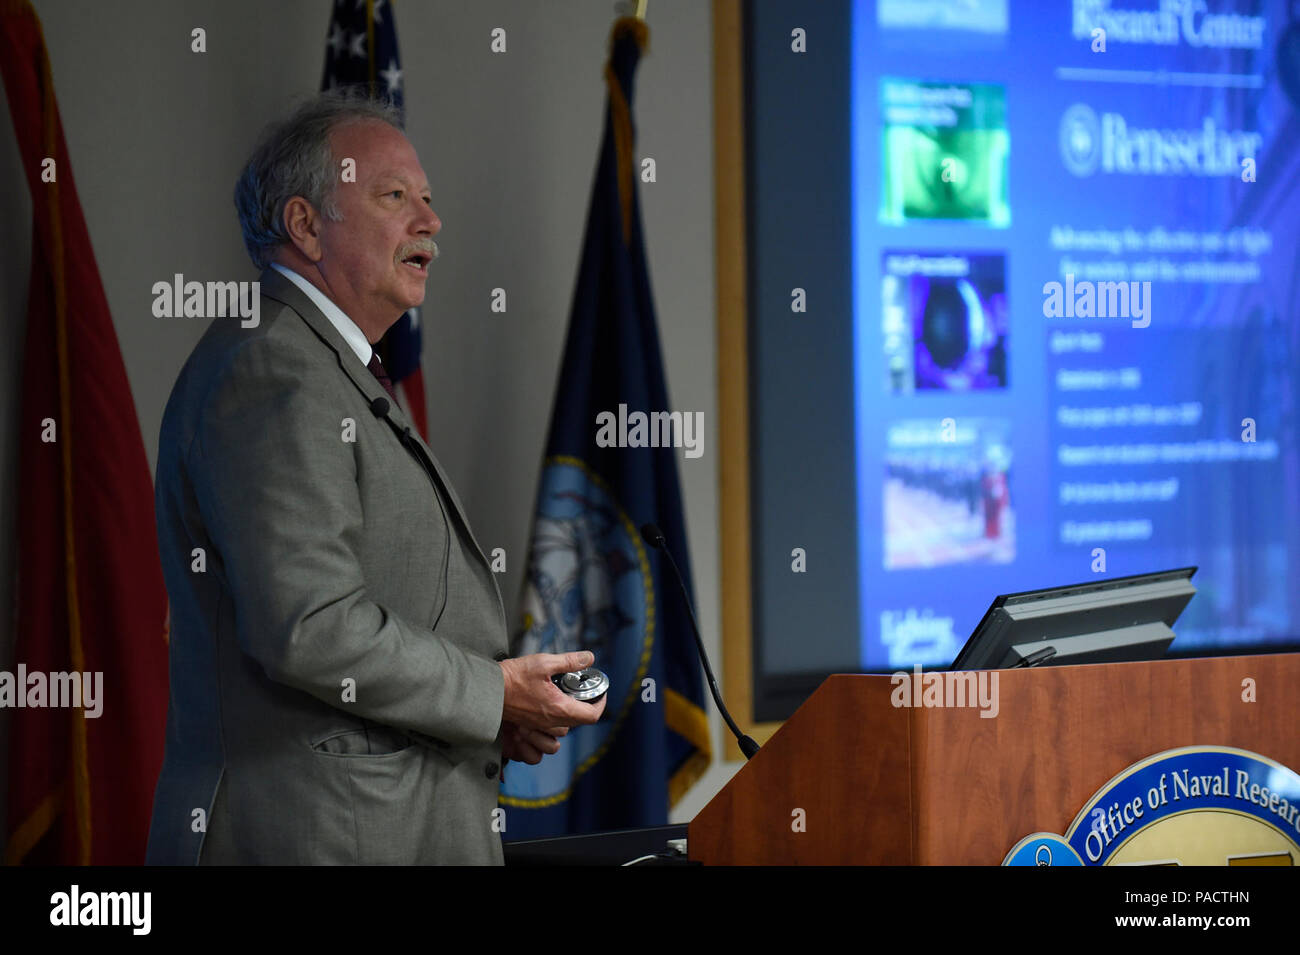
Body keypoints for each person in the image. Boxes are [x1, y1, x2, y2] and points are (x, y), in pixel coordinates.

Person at [146, 92, 605, 865]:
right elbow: (312, 625)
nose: (429, 221)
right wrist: (490, 692)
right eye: (395, 197)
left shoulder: (327, 369)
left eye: (428, 200)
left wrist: (491, 709)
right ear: (304, 225)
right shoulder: (273, 369)